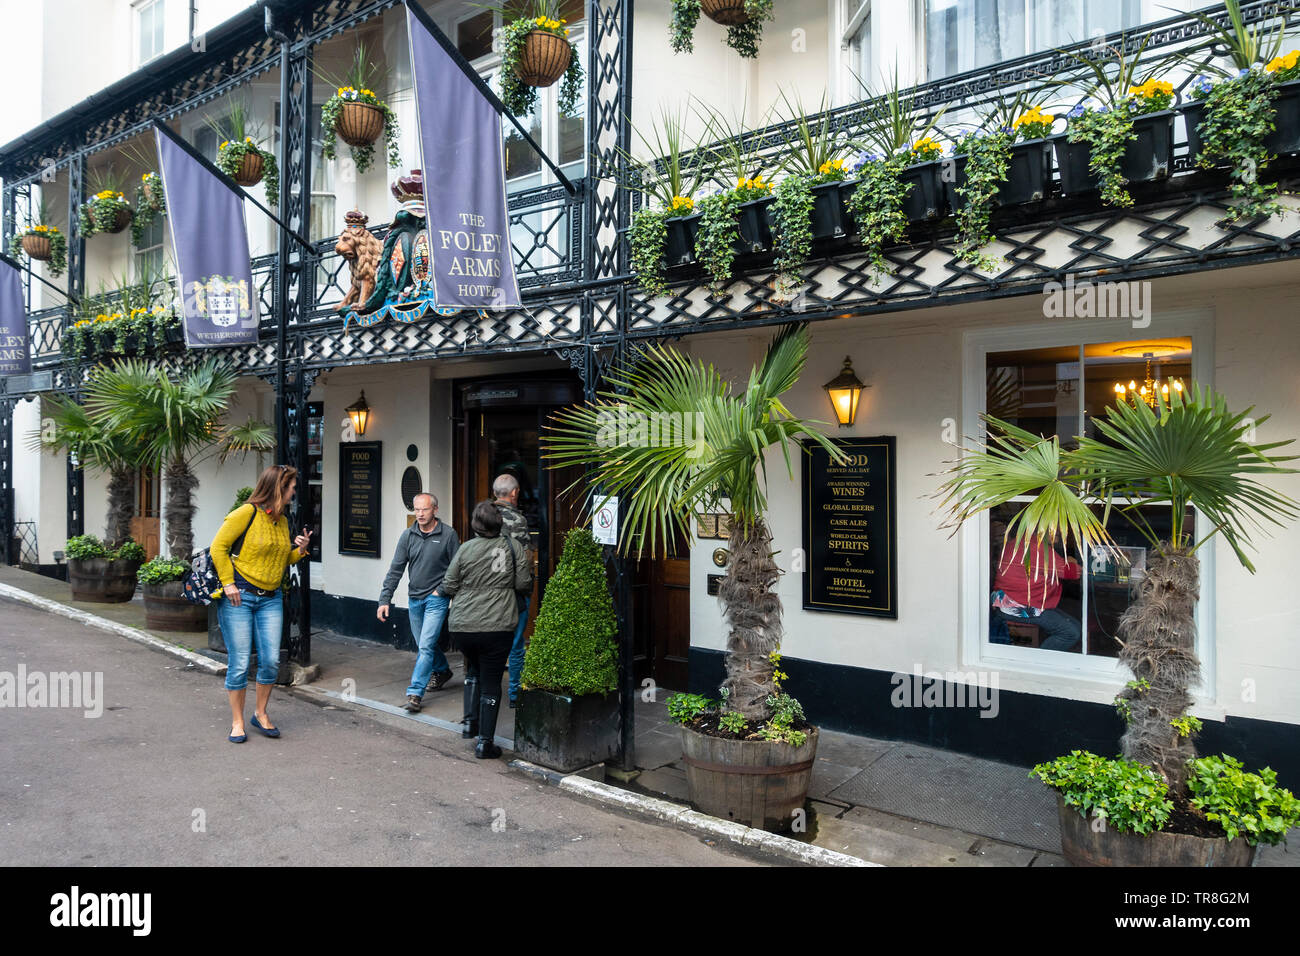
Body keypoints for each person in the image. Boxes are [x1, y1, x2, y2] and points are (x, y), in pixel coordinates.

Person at [211, 464, 312, 743]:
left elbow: (281, 560)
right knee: (241, 662)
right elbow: (217, 547)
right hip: (239, 597)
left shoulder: (280, 520)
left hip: (271, 598)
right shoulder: (246, 513)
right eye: (291, 487)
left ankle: (261, 713)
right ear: (279, 487)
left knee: (270, 660)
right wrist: (228, 582)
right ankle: (237, 721)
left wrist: (299, 551)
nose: (294, 492)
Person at [441, 500, 532, 758]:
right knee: (492, 683)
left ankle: (470, 723)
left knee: (473, 671)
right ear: (499, 523)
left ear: (475, 524)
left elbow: (449, 584)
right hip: (497, 625)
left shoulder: (465, 548)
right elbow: (524, 583)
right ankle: (485, 743)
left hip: (463, 626)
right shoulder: (512, 548)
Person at [377, 492, 460, 713]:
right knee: (425, 644)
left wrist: (441, 591)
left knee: (425, 646)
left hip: (436, 600)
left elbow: (457, 568)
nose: (420, 514)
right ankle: (442, 670)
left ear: (435, 509)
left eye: (424, 509)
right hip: (415, 599)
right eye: (417, 509)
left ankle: (415, 693)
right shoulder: (408, 536)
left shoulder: (448, 535)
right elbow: (396, 569)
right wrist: (385, 599)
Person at [990, 524, 1082, 652]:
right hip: (1017, 606)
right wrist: (1072, 561)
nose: (1060, 535)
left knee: (1076, 626)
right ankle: (1038, 662)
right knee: (1071, 633)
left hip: (1005, 601)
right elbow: (1072, 573)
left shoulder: (1019, 542)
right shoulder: (1037, 549)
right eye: (1058, 532)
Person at [491, 473, 533, 708]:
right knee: (516, 644)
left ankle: (487, 691)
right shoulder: (518, 520)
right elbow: (525, 560)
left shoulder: (483, 516)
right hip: (514, 593)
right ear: (515, 493)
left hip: (487, 591)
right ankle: (515, 695)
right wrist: (526, 591)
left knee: (491, 643)